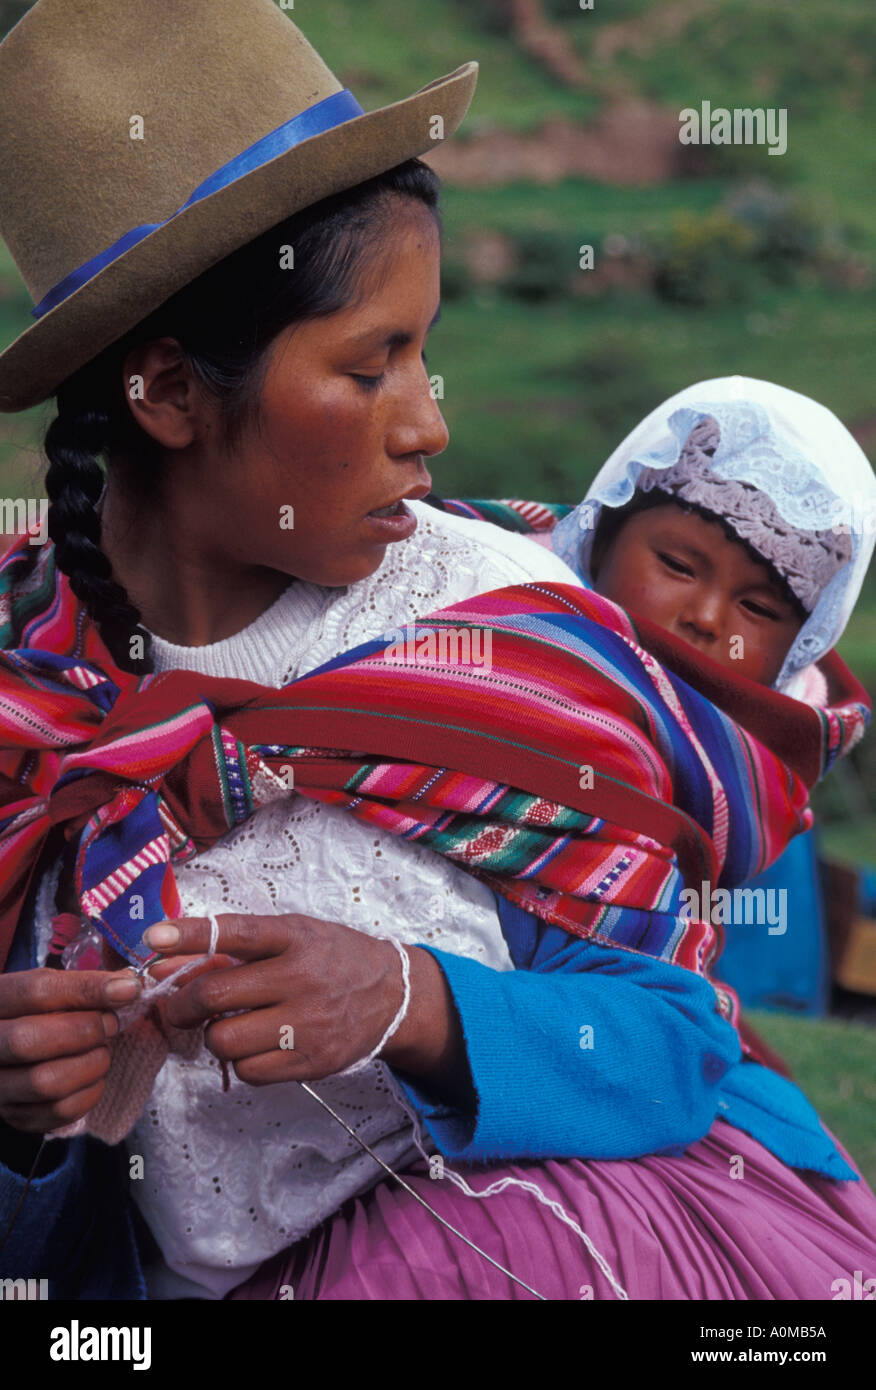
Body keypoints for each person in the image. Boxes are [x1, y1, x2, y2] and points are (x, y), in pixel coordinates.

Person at [0, 2, 874, 1304]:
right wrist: (27, 1128)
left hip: (558, 1244)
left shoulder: (502, 630)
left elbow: (680, 1035)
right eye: (372, 366)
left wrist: (411, 1001)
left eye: (429, 351)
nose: (430, 429)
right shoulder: (28, 696)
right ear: (171, 392)